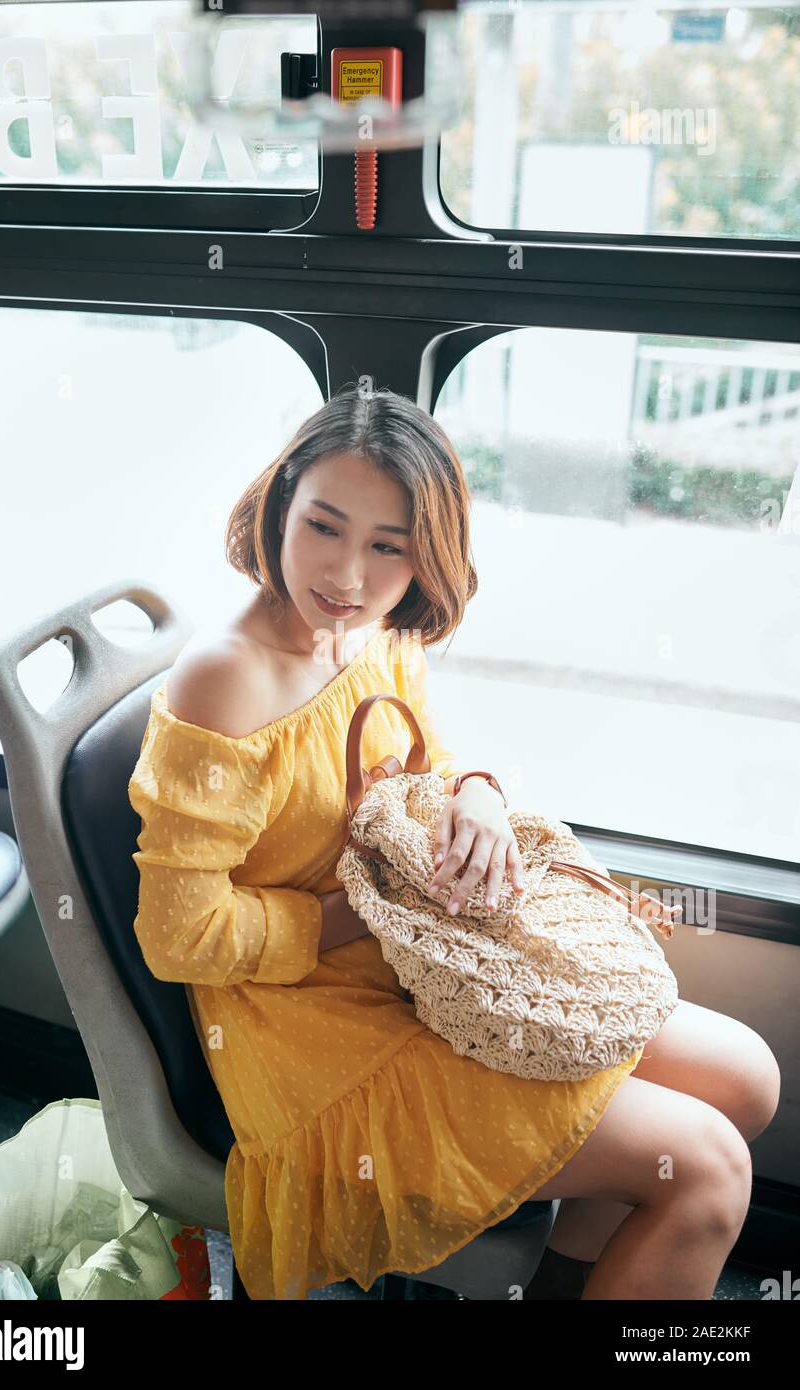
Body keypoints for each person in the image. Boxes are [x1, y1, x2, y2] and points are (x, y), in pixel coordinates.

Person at [127, 383, 780, 1301]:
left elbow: (423, 757)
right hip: (316, 1029)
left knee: (746, 1080)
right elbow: (181, 937)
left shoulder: (372, 629)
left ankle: (563, 1284)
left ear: (422, 554)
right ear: (279, 507)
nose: (346, 576)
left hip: (418, 958)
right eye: (322, 526)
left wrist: (476, 794)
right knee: (707, 1170)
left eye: (386, 547)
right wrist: (367, 910)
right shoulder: (225, 681)